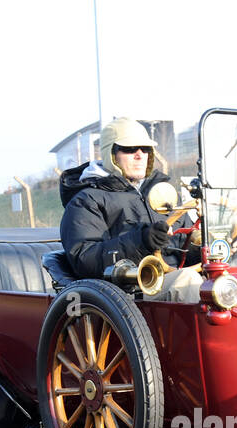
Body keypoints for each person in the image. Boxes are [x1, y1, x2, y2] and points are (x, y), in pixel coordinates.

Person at [58, 117, 201, 302]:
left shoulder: (161, 191)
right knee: (187, 282)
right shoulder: (86, 200)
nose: (140, 155)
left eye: (145, 149)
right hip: (129, 295)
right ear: (111, 153)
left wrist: (210, 245)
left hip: (171, 281)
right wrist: (141, 241)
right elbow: (85, 259)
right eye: (130, 149)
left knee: (226, 281)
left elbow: (184, 245)